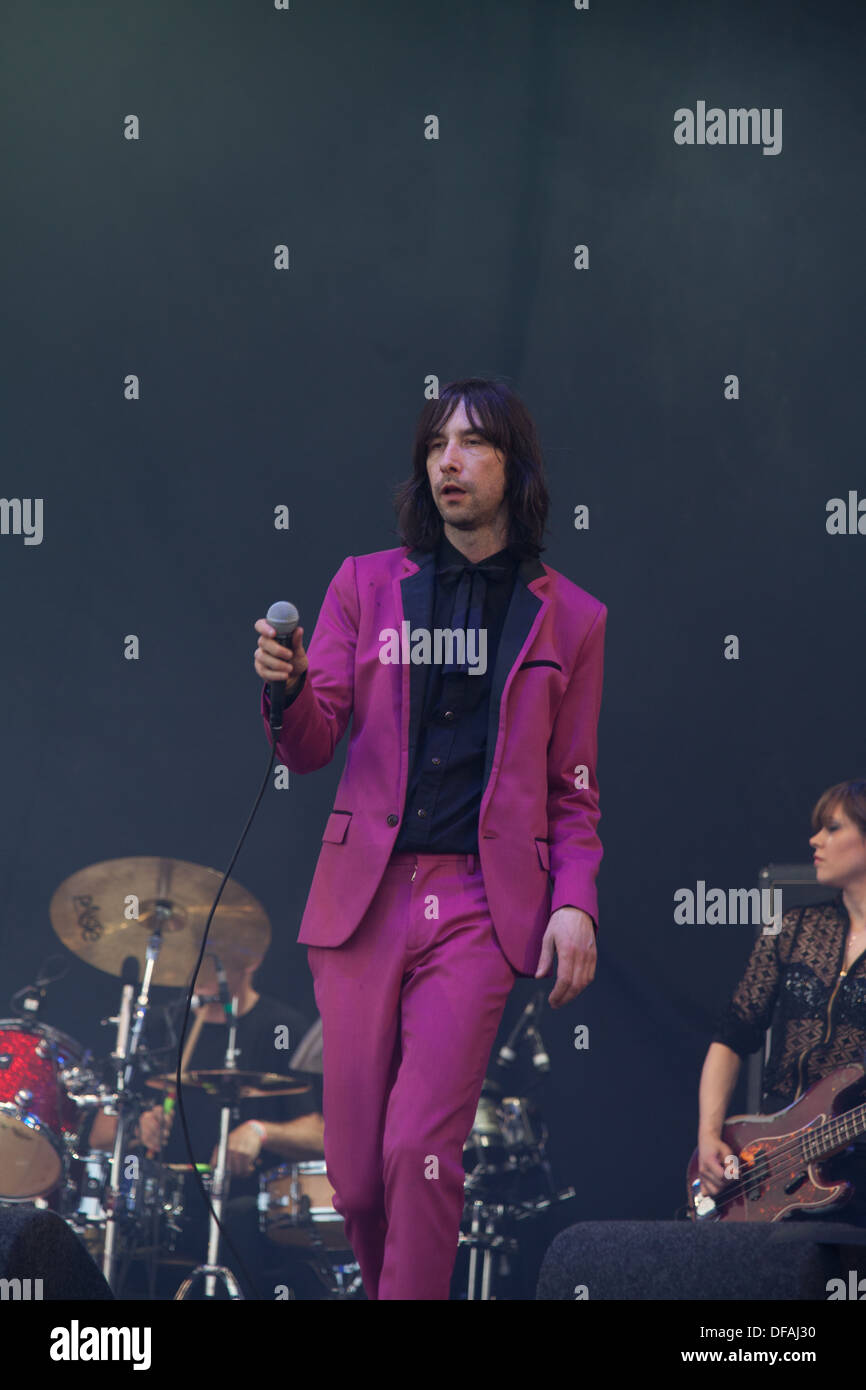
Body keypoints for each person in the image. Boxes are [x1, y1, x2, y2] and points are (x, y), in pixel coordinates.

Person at [254, 378, 606, 1299]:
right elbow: (313, 740)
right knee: (361, 1181)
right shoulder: (365, 585)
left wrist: (573, 902)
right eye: (436, 443)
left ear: (513, 465)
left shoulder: (573, 616)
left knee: (422, 1152)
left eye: (474, 443)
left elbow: (573, 791)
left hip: (481, 908)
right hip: (365, 899)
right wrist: (287, 689)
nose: (448, 460)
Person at [88, 951, 327, 1297]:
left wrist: (260, 1131)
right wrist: (139, 1128)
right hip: (162, 1207)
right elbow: (99, 1135)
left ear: (253, 958)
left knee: (241, 1225)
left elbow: (321, 1135)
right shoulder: (160, 1028)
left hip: (249, 1209)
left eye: (220, 956)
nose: (204, 964)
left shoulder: (282, 1028)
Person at [696, 777, 866, 1224]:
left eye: (832, 828)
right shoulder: (792, 930)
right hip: (767, 1161)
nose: (815, 840)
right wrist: (709, 1135)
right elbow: (731, 1037)